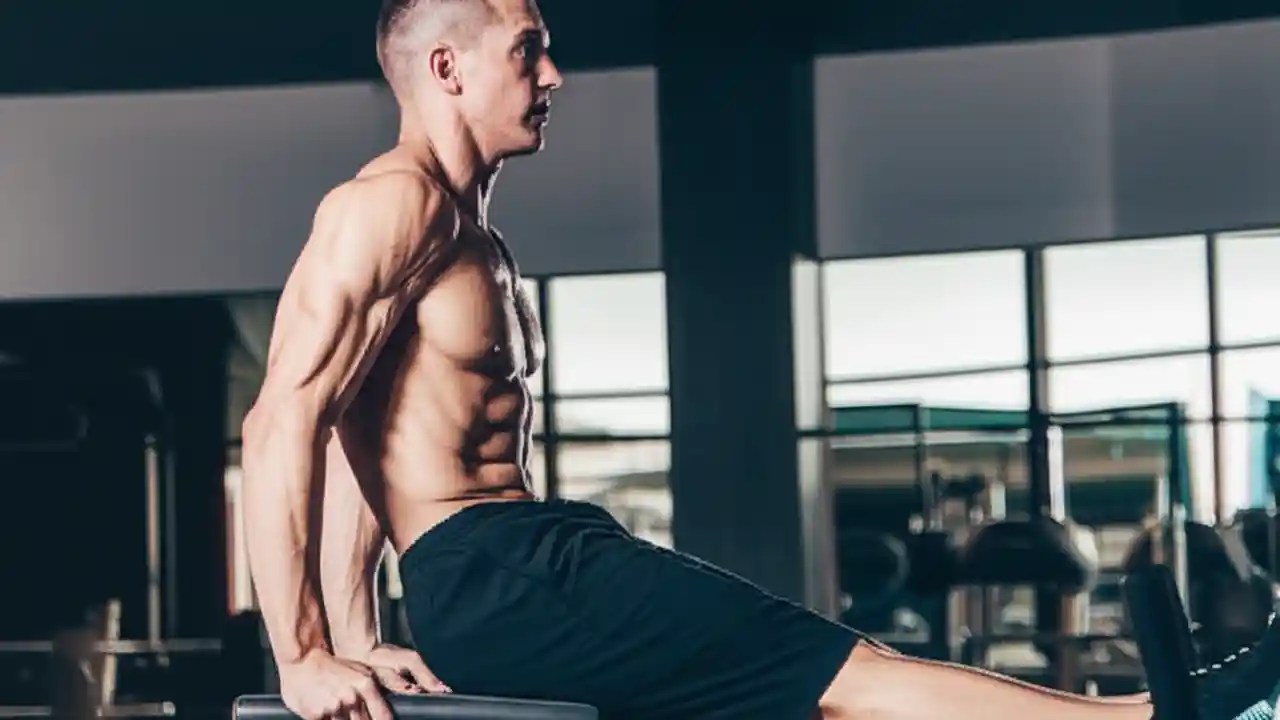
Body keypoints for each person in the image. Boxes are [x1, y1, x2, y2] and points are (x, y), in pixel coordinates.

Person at [240, 0, 1280, 718]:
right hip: (503, 573)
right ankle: (1148, 713)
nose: (553, 73)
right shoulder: (391, 204)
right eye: (529, 47)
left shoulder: (465, 234)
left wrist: (364, 631)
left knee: (808, 703)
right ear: (445, 66)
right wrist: (303, 654)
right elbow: (285, 419)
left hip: (519, 559)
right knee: (846, 676)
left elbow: (356, 436)